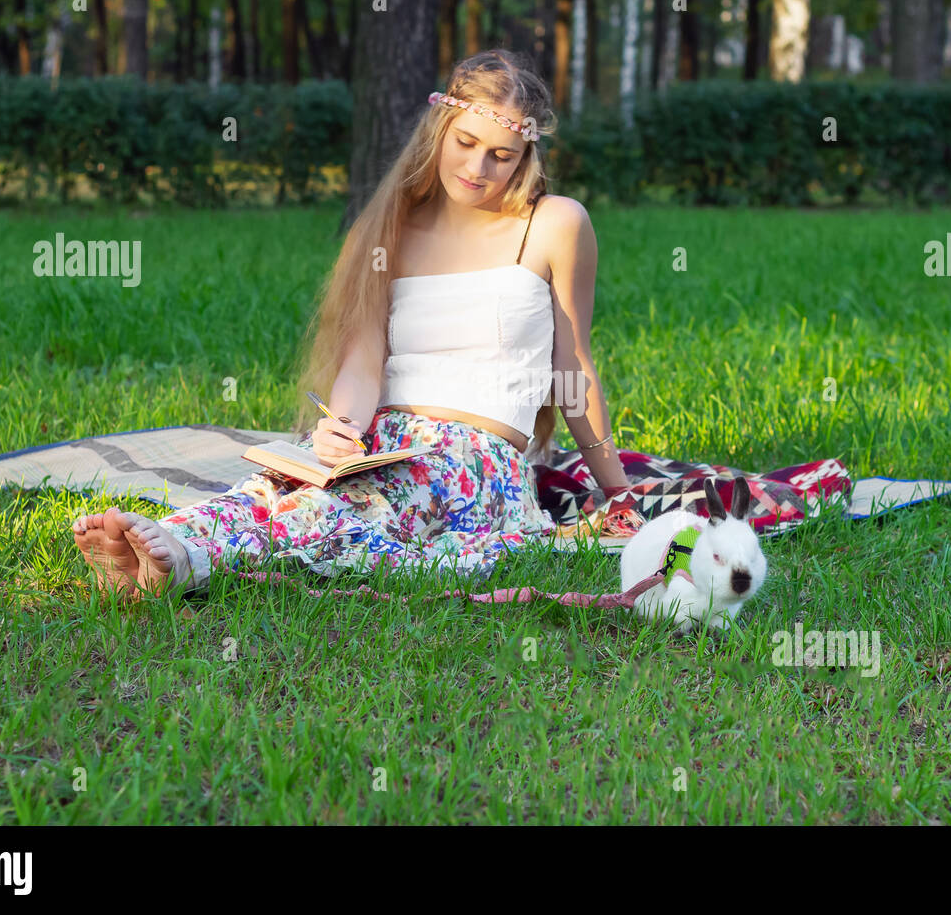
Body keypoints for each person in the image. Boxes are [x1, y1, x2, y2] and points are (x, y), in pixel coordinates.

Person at [72, 49, 630, 599]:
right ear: (439, 129)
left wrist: (617, 488)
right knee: (272, 488)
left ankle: (186, 561)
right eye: (464, 143)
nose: (477, 168)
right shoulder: (395, 225)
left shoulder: (555, 222)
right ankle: (173, 542)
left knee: (353, 508)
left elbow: (571, 362)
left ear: (525, 154)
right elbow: (363, 360)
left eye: (501, 155)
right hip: (384, 439)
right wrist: (339, 426)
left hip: (475, 458)